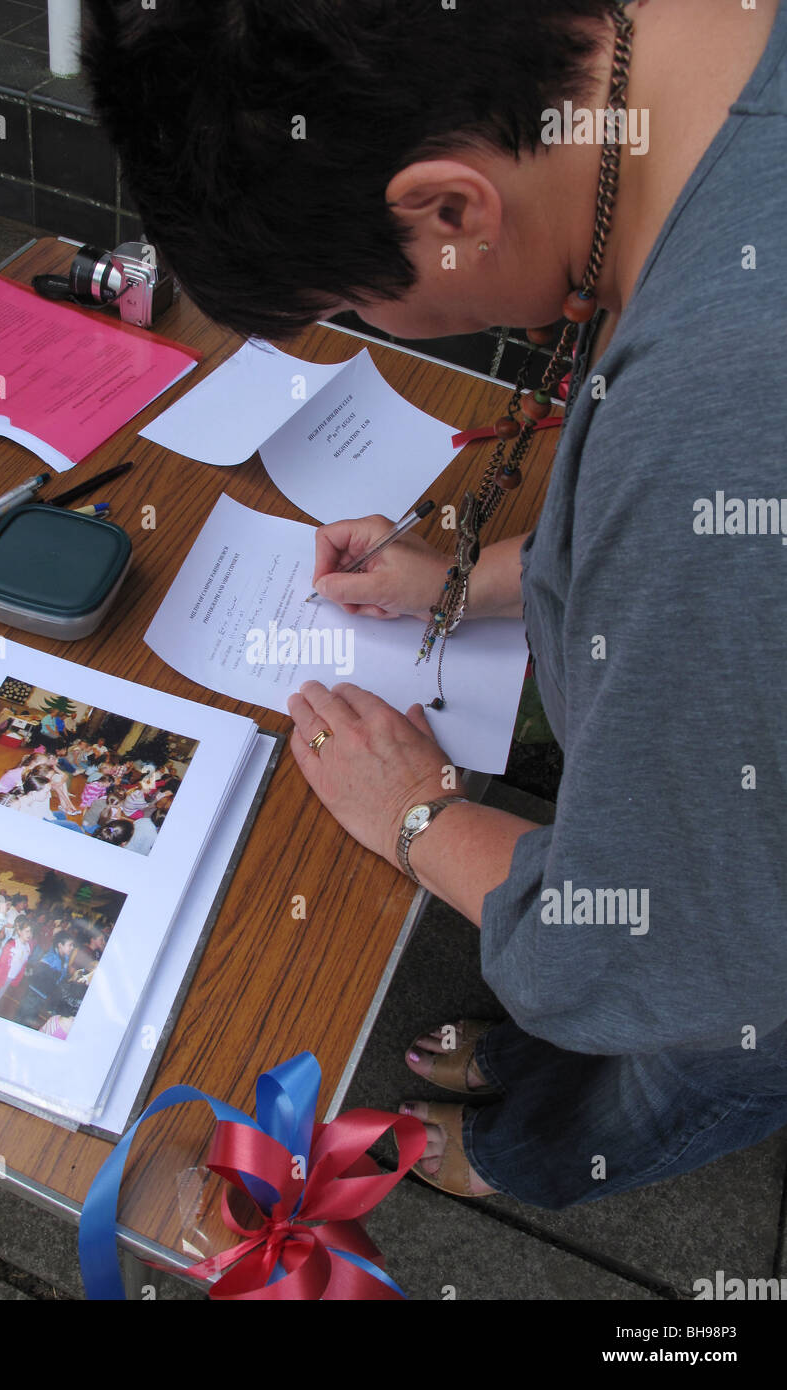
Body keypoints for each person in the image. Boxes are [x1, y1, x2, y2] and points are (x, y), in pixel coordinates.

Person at [83, 0, 787, 1208]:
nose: (365, 325)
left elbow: (659, 942)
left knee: (674, 1062)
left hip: (740, 970)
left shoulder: (715, 415)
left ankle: (518, 1154)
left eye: (355, 301)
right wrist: (468, 573)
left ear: (449, 209)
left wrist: (414, 814)